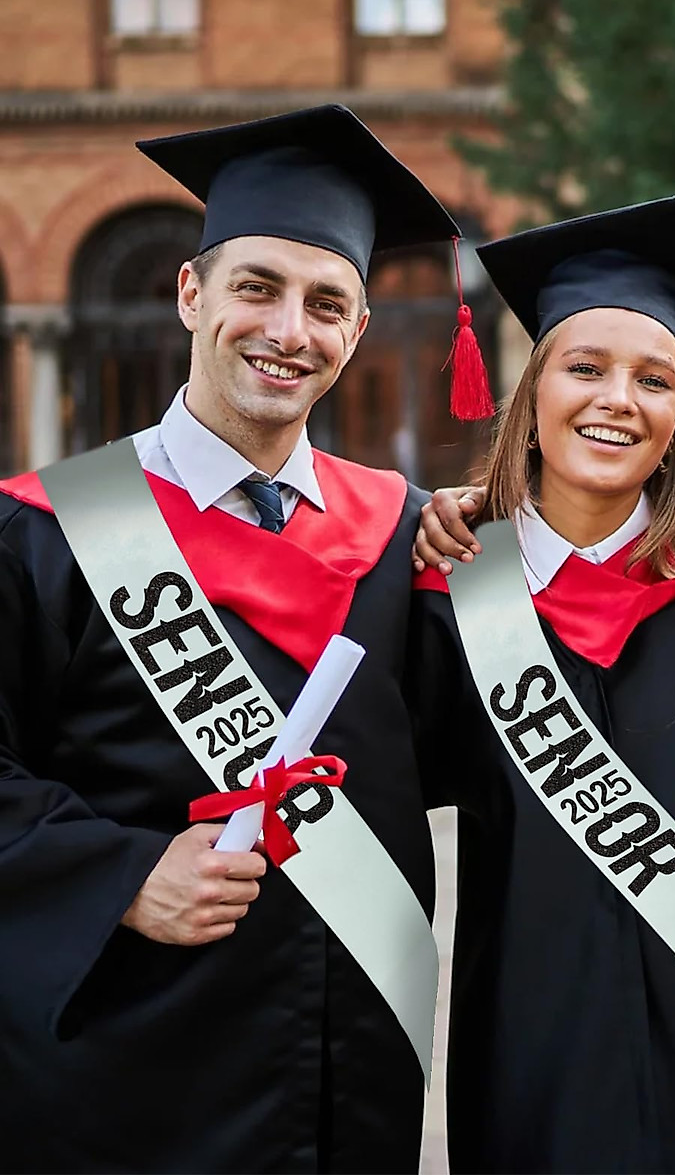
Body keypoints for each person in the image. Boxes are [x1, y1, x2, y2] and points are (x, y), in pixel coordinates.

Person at [0, 104, 465, 1173]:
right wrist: (117, 875)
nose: (289, 330)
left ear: (355, 329)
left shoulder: (398, 533)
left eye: (328, 303)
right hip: (125, 1076)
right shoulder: (42, 533)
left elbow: (459, 753)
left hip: (346, 1072)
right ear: (191, 293)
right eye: (257, 287)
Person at [408, 197, 675, 1173]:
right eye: (584, 368)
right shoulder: (446, 598)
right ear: (530, 395)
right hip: (528, 1061)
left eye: (654, 380)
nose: (618, 398)